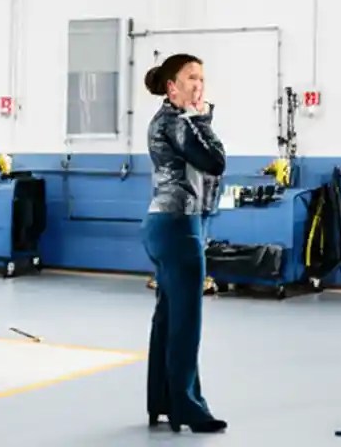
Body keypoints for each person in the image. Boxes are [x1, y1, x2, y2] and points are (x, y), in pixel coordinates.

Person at [142, 53, 228, 434]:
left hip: (163, 224)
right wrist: (204, 120)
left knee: (167, 318)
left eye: (202, 78)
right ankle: (188, 407)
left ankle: (161, 400)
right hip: (178, 227)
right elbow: (215, 161)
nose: (199, 85)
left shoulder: (165, 121)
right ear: (171, 87)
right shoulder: (178, 123)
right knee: (186, 322)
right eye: (191, 78)